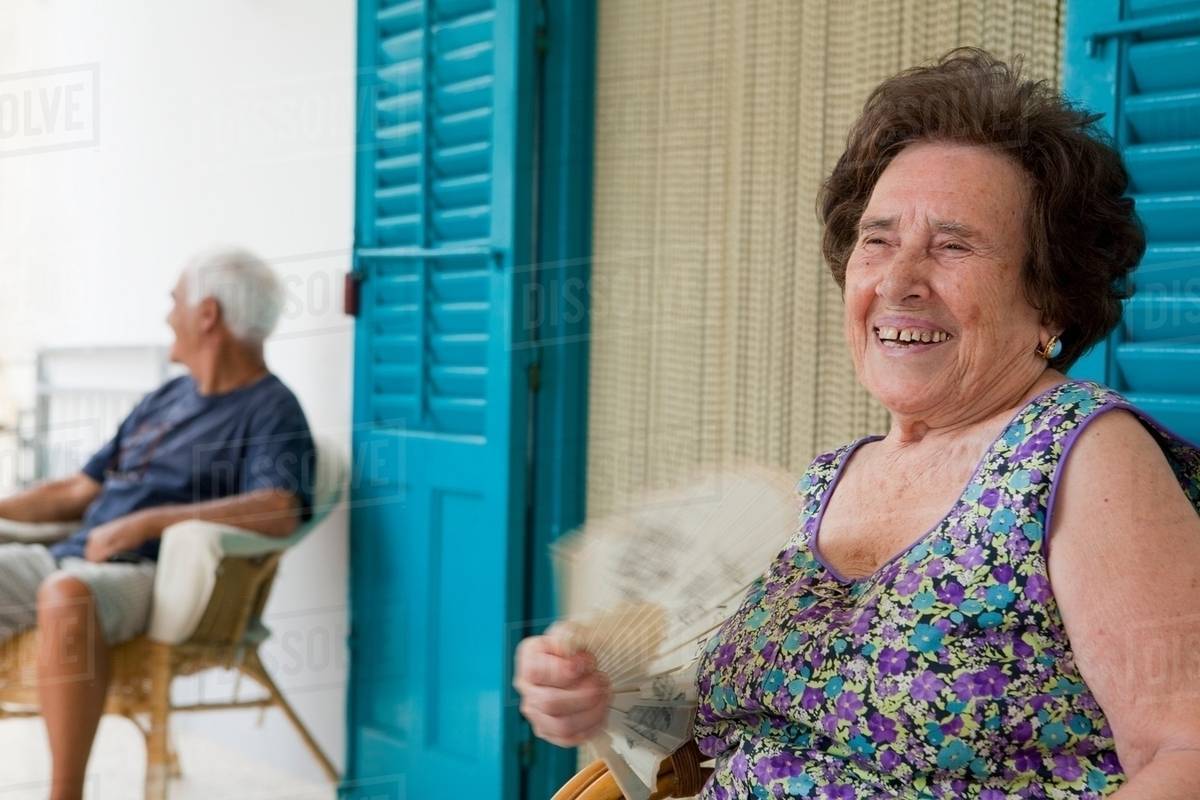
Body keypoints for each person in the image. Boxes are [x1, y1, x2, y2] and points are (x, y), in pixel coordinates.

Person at [513, 49, 1200, 797]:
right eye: (877, 240)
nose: (898, 281)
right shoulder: (829, 478)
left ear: (1052, 301)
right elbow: (768, 725)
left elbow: (1184, 754)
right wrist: (594, 693)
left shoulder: (1080, 457)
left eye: (953, 245)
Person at [0, 247, 315, 800]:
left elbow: (280, 505)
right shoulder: (166, 397)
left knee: (65, 593)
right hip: (70, 550)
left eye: (175, 301)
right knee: (57, 579)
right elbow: (79, 487)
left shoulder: (272, 408)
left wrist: (148, 522)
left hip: (148, 574)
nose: (169, 315)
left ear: (207, 314)